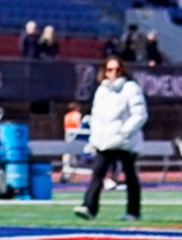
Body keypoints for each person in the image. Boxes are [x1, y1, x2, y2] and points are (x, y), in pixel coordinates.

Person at [75, 56, 146, 222]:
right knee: (98, 173)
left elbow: (139, 114)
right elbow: (97, 116)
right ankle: (89, 207)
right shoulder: (102, 90)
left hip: (125, 140)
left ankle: (133, 211)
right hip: (105, 140)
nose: (113, 73)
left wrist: (124, 131)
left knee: (130, 176)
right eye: (109, 69)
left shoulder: (130, 88)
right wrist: (95, 137)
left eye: (116, 69)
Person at [62, 101, 88, 181]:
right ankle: (70, 169)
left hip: (67, 134)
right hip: (74, 134)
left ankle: (66, 168)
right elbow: (79, 125)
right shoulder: (77, 115)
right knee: (73, 153)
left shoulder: (66, 115)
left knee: (67, 153)